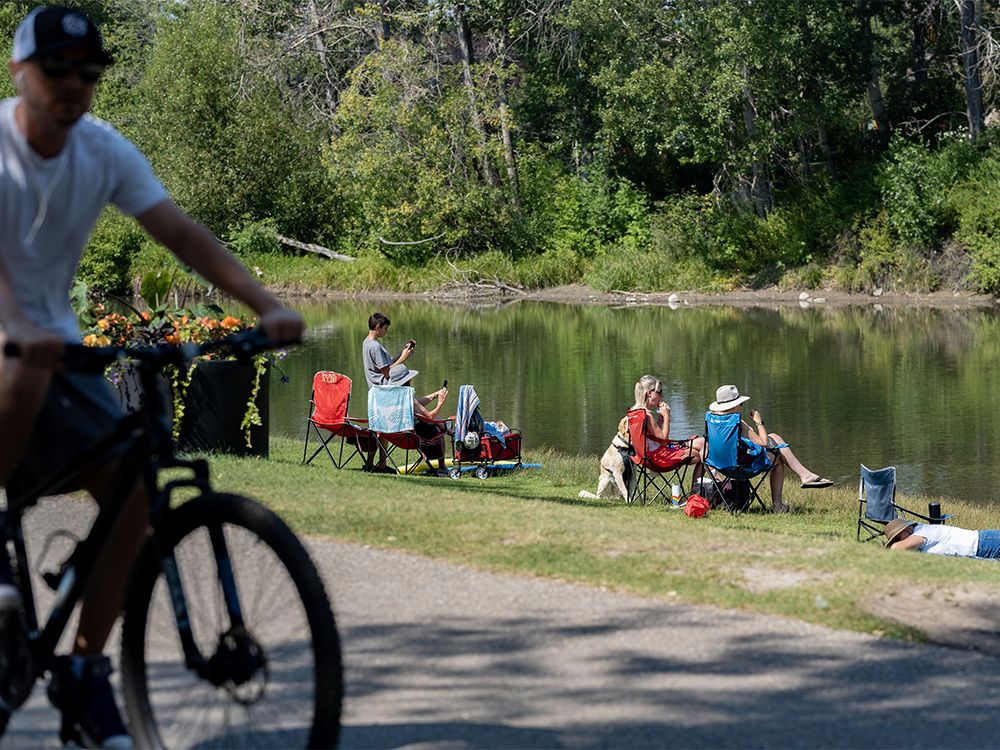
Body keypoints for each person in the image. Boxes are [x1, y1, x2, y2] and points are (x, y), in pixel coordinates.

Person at [0, 7, 304, 747]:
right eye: (58, 69)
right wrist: (16, 326)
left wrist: (265, 303)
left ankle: (83, 672)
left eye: (88, 72)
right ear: (20, 73)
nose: (74, 83)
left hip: (54, 347)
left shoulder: (100, 150)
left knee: (135, 495)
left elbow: (180, 232)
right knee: (25, 373)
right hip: (12, 341)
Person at [708, 384, 832, 513]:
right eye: (740, 404)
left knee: (775, 438)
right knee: (777, 460)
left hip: (720, 466)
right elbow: (764, 443)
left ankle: (805, 475)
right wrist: (758, 421)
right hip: (740, 468)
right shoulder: (736, 422)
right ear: (733, 406)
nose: (741, 407)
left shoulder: (711, 418)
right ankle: (779, 504)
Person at [362, 311, 449, 471]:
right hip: (386, 390)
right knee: (440, 426)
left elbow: (386, 366)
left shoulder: (366, 343)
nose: (386, 332)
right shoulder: (374, 347)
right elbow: (387, 372)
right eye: (385, 329)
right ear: (378, 327)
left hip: (379, 394)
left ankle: (377, 464)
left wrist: (399, 355)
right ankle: (442, 463)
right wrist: (403, 359)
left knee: (381, 429)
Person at [633, 375, 706, 493]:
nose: (661, 396)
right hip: (659, 459)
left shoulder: (635, 412)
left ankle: (701, 491)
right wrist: (667, 417)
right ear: (649, 393)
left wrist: (660, 421)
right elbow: (663, 440)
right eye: (659, 392)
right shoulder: (647, 415)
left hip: (645, 457)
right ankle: (696, 493)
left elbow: (651, 437)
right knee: (700, 455)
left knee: (702, 444)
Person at [883, 518, 1000, 559]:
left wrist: (893, 546)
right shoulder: (921, 530)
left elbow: (897, 549)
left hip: (985, 543)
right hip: (983, 543)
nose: (901, 541)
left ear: (906, 530)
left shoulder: (920, 534)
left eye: (898, 538)